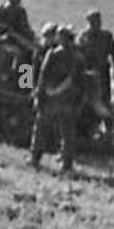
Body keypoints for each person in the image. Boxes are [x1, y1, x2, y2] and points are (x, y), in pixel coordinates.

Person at [30, 26, 84, 173]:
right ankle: (67, 164)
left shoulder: (51, 54)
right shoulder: (78, 56)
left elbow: (40, 74)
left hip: (51, 99)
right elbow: (80, 81)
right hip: (68, 101)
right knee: (68, 133)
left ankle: (35, 158)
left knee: (41, 128)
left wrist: (36, 93)